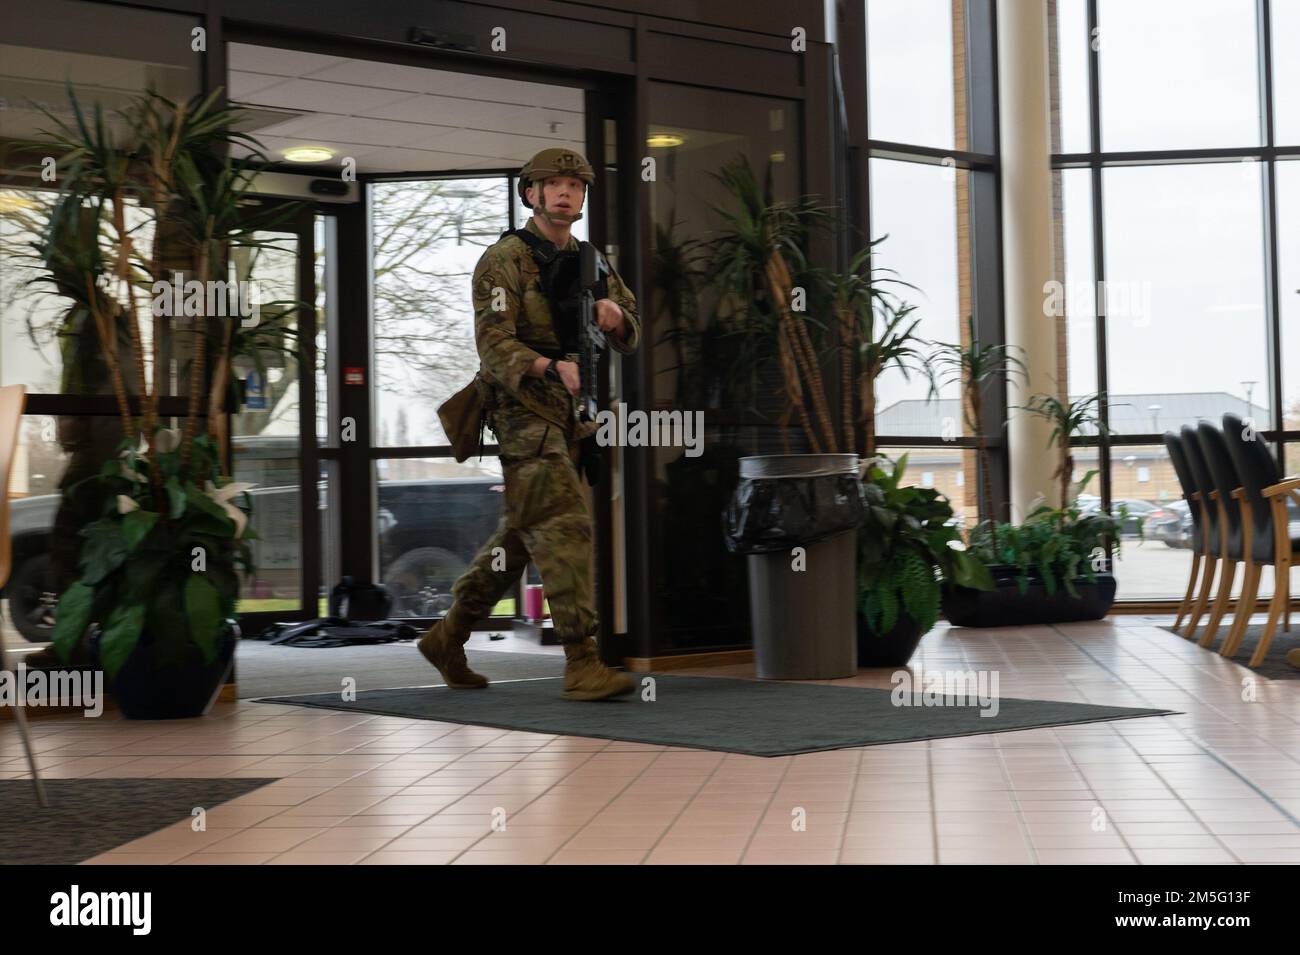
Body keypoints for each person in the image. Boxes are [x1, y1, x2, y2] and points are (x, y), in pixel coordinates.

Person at [417, 148, 640, 701]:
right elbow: (493, 342)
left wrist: (615, 318)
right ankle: (582, 661)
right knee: (566, 526)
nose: (566, 193)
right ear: (531, 194)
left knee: (518, 538)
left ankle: (448, 637)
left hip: (570, 416)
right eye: (553, 184)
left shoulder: (594, 262)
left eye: (575, 185)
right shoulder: (505, 259)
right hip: (523, 412)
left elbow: (631, 327)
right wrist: (549, 365)